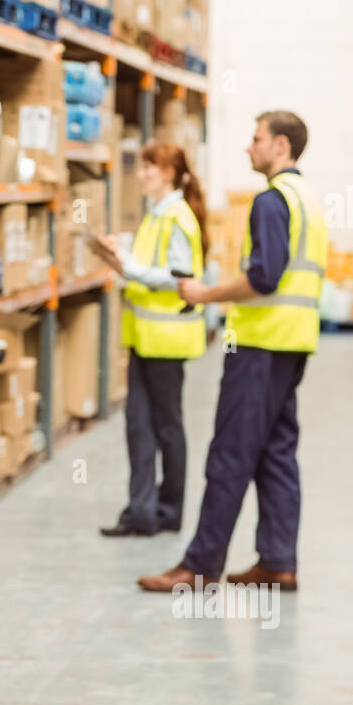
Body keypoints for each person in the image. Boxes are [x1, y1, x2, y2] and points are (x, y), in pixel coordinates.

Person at [137, 111, 327, 593]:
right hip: (292, 343)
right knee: (276, 453)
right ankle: (278, 562)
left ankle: (198, 568)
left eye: (256, 139)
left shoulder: (271, 201)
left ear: (280, 146)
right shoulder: (307, 198)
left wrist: (205, 294)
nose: (249, 148)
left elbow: (264, 278)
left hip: (260, 344)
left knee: (229, 455)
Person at [90, 142, 207, 537]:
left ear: (170, 173)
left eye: (149, 168)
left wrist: (127, 266)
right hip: (145, 336)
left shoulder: (177, 216)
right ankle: (142, 512)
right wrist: (118, 252)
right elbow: (151, 262)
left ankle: (168, 511)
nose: (141, 175)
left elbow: (179, 276)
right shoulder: (157, 215)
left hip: (166, 338)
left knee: (166, 426)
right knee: (139, 424)